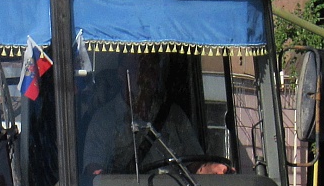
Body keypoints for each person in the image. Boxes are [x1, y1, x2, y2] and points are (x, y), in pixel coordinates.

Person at [80, 52, 228, 177]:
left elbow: (195, 166)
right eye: (138, 69)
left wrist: (212, 169)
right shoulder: (104, 120)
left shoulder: (174, 116)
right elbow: (94, 174)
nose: (145, 77)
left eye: (151, 69)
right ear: (121, 73)